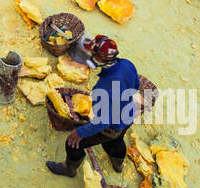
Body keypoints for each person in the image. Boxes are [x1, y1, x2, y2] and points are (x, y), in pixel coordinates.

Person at [46, 36, 139, 177]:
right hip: (128, 114)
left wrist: (79, 133)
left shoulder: (104, 87)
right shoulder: (127, 64)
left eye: (93, 54)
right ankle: (118, 164)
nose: (90, 56)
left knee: (73, 143)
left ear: (101, 58)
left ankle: (69, 169)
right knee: (115, 141)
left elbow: (103, 122)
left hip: (110, 125)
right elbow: (136, 86)